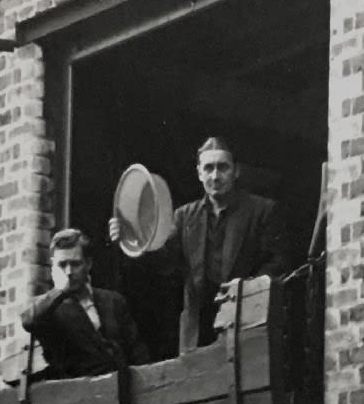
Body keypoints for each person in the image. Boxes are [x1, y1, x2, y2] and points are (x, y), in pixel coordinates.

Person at [109, 136, 292, 352]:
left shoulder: (262, 211)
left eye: (222, 167)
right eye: (208, 168)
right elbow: (165, 261)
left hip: (247, 324)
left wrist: (246, 288)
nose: (215, 176)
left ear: (236, 171)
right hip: (197, 333)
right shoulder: (184, 216)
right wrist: (134, 239)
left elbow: (279, 263)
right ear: (199, 173)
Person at [21, 227, 149, 379]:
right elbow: (29, 320)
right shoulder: (50, 308)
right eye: (62, 265)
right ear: (53, 266)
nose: (68, 271)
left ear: (88, 264)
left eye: (75, 264)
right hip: (77, 395)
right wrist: (60, 291)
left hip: (122, 391)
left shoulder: (113, 301)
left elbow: (138, 354)